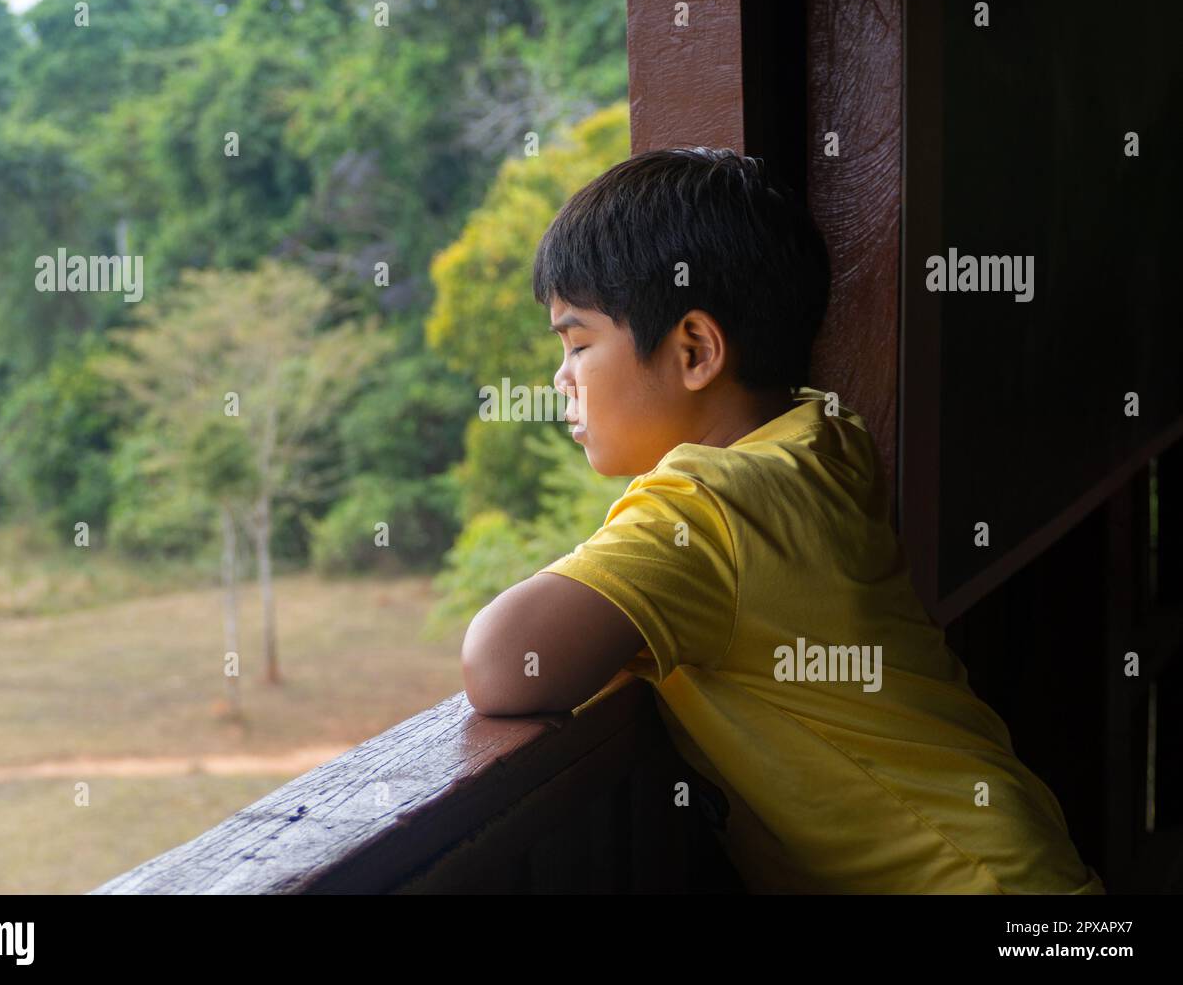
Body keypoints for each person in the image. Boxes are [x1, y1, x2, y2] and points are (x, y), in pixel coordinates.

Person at [460, 146, 1105, 894]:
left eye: (577, 344)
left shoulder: (707, 508)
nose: (559, 378)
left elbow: (504, 663)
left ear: (695, 349)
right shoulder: (823, 435)